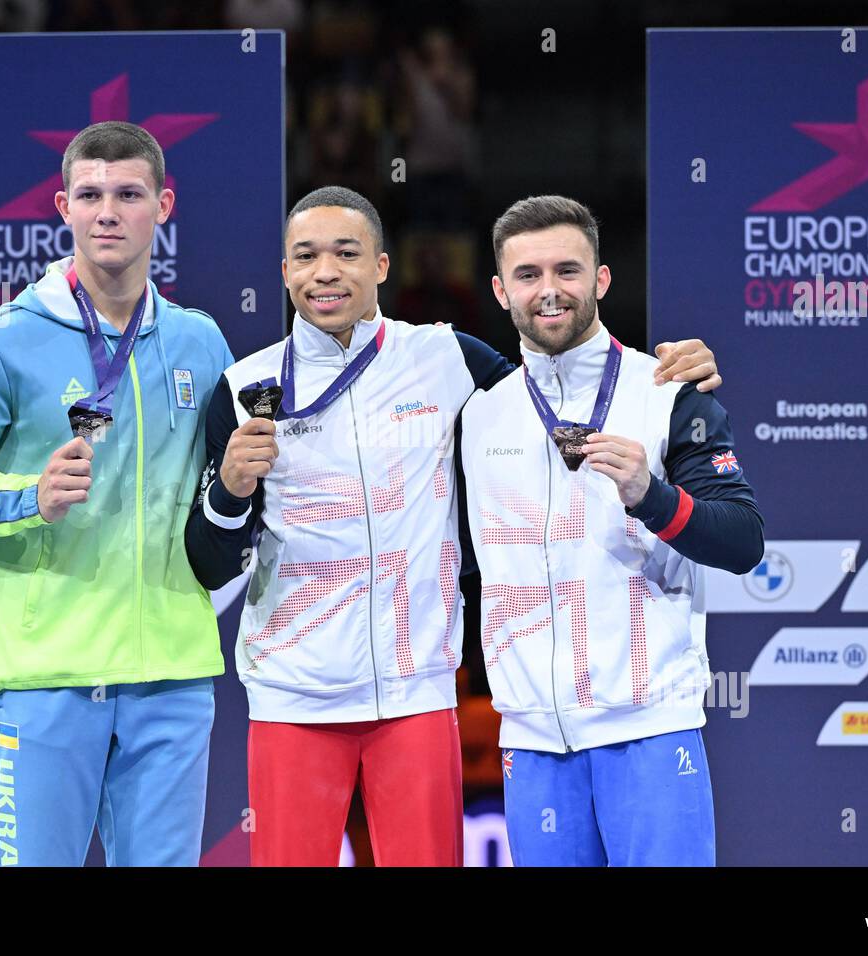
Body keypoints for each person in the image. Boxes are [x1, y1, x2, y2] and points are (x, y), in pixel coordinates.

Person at [185, 186, 723, 866]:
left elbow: (554, 385)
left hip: (417, 694)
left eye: (347, 253)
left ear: (382, 266)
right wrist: (231, 491)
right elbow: (209, 563)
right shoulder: (243, 387)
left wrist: (669, 376)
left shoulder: (445, 359)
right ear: (285, 272)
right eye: (306, 256)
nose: (327, 271)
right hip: (295, 698)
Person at [0, 122, 232, 866]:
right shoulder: (2, 339)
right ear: (63, 207)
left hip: (173, 676)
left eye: (129, 194)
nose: (109, 210)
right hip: (51, 677)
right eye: (91, 194)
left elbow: (222, 492)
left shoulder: (201, 343)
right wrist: (25, 496)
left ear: (163, 206)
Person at [460, 195, 764, 866]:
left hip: (649, 731)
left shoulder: (669, 392)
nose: (550, 291)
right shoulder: (477, 412)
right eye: (529, 274)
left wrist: (651, 497)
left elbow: (743, 542)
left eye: (568, 271)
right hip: (534, 744)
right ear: (500, 289)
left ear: (600, 279)